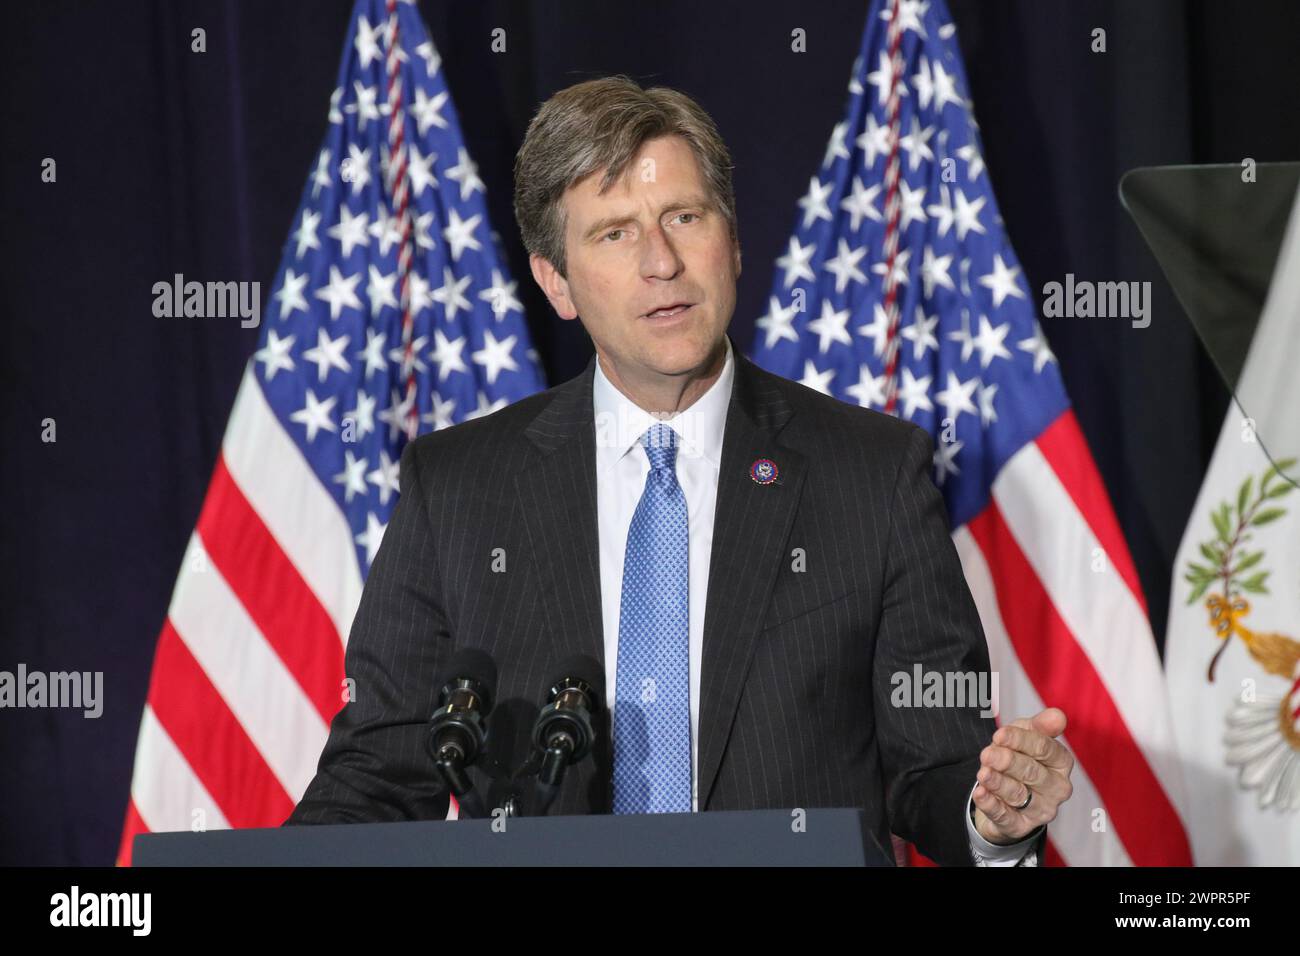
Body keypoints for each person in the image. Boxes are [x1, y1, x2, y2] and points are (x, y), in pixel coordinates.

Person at [287, 75, 1075, 866]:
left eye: (684, 218)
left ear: (731, 240)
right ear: (556, 281)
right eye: (615, 234)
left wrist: (995, 818)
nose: (661, 262)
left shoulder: (873, 474)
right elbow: (381, 779)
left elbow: (936, 768)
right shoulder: (456, 489)